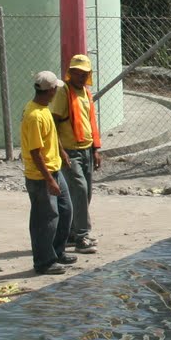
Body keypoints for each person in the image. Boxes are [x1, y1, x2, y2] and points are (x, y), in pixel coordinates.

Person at [22, 71, 75, 275]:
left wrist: (61, 152)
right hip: (41, 175)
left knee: (64, 209)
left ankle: (57, 251)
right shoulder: (34, 115)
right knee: (45, 218)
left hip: (54, 169)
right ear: (51, 90)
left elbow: (51, 134)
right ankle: (43, 261)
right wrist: (49, 180)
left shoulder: (43, 109)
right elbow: (35, 153)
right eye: (56, 88)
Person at [51, 53, 103, 254]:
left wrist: (96, 148)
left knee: (85, 192)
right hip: (70, 152)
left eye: (84, 73)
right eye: (77, 73)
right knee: (79, 191)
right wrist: (60, 150)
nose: (81, 76)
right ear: (70, 73)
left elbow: (91, 122)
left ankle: (72, 233)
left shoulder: (86, 93)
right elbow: (53, 123)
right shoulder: (63, 93)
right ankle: (82, 237)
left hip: (86, 150)